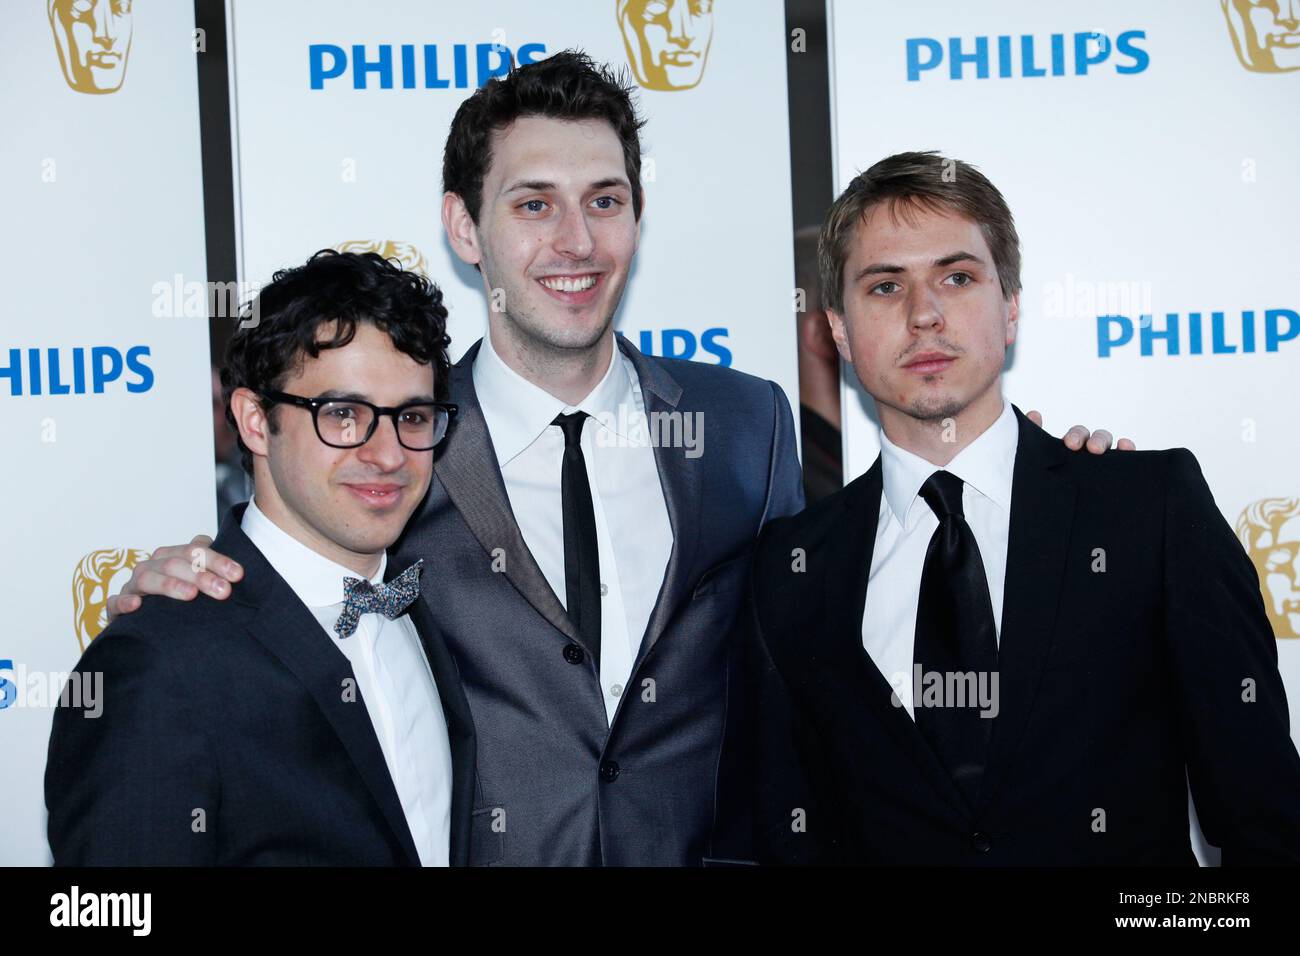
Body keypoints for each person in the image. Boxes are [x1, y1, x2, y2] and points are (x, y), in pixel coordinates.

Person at [104, 55, 1124, 866]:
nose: (575, 240)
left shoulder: (743, 424)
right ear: (466, 228)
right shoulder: (404, 438)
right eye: (532, 203)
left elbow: (825, 621)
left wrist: (1036, 484)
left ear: (637, 215)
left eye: (604, 199)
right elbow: (302, 568)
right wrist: (191, 574)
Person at [734, 151, 1300, 865]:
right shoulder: (792, 570)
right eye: (884, 287)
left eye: (958, 277)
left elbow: (1266, 819)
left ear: (1011, 308)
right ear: (840, 331)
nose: (924, 314)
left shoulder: (1147, 511)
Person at [47, 251, 477, 865]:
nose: (388, 454)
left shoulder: (430, 610)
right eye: (343, 414)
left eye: (411, 417)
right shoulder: (159, 662)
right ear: (254, 420)